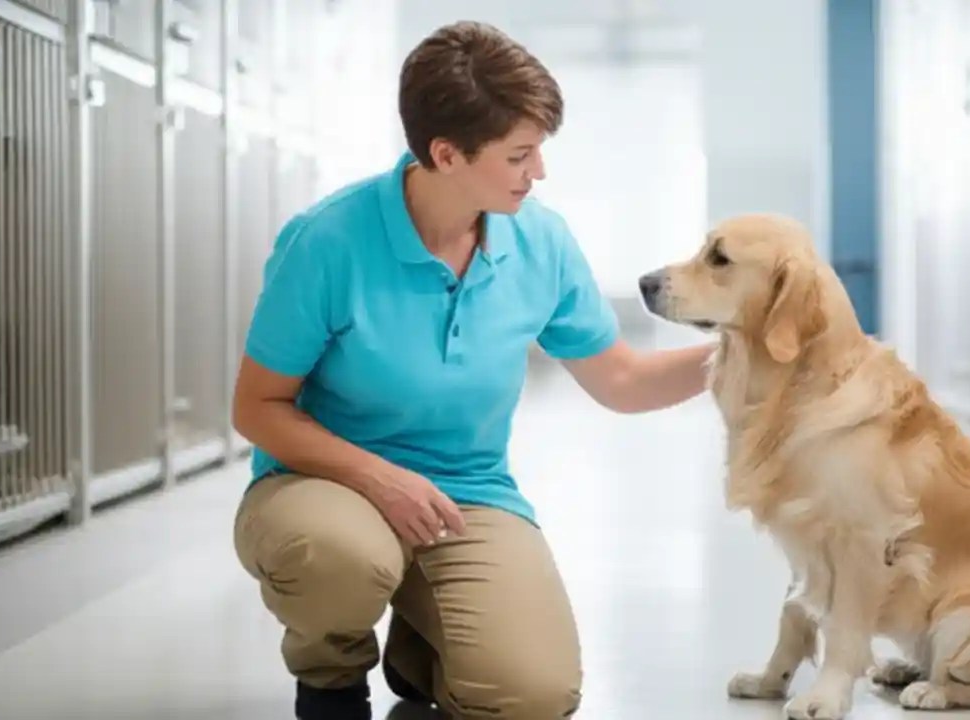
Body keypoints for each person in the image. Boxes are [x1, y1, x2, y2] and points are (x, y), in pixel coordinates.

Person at [231, 20, 714, 720]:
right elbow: (257, 407)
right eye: (519, 155)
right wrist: (377, 476)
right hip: (321, 482)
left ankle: (421, 650)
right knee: (338, 559)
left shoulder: (539, 239)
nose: (537, 172)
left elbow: (622, 379)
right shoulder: (329, 241)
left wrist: (740, 358)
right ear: (446, 154)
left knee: (535, 695)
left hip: (466, 493)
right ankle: (330, 675)